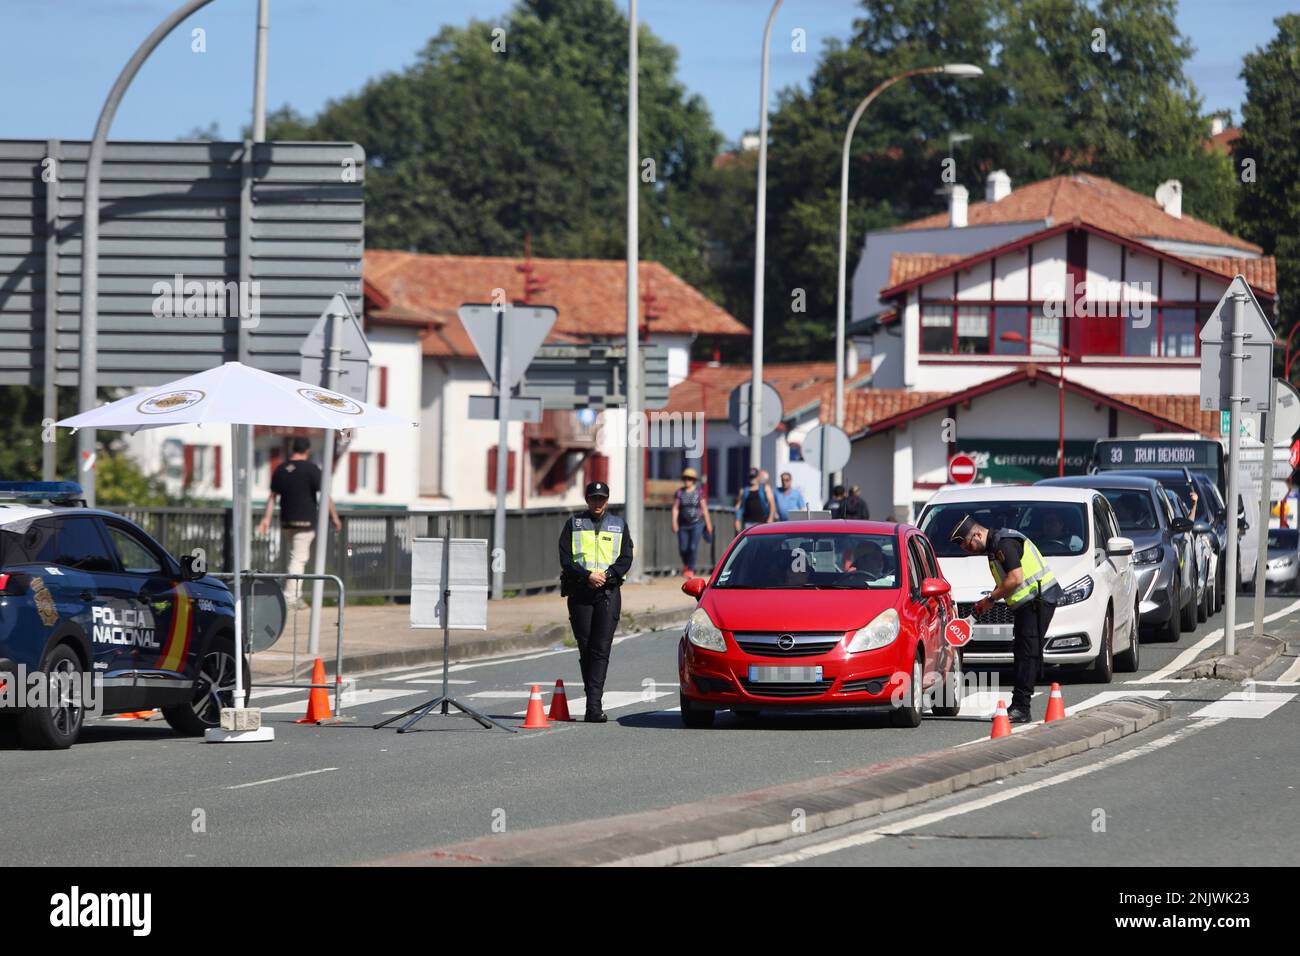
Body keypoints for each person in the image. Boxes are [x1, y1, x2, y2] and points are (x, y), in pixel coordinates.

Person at [952, 514, 1062, 724]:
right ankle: (1020, 705)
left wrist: (991, 598)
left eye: (967, 545)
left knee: (1026, 654)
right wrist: (989, 601)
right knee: (1023, 652)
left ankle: (1022, 708)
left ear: (976, 534)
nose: (967, 550)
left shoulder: (1005, 544)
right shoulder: (995, 547)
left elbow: (1016, 578)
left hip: (1037, 600)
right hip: (1029, 603)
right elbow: (1006, 580)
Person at [558, 481, 634, 723]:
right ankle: (592, 699)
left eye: (601, 499)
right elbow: (566, 559)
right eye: (593, 498)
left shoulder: (619, 525)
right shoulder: (573, 524)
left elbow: (626, 557)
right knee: (586, 646)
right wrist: (587, 576)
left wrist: (608, 575)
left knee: (601, 649)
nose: (597, 503)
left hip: (608, 594)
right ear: (587, 499)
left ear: (607, 501)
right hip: (581, 591)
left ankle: (594, 706)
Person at [257, 437, 341, 608]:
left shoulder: (280, 469)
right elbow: (325, 495)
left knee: (294, 557)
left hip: (287, 521)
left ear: (292, 449)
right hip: (306, 521)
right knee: (298, 558)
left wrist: (266, 518)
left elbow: (272, 497)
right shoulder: (312, 469)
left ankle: (293, 595)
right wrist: (334, 517)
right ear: (307, 451)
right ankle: (290, 598)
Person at [671, 467, 712, 577]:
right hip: (683, 524)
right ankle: (686, 565)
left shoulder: (699, 492)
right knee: (683, 547)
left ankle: (691, 569)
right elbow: (675, 508)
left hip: (697, 524)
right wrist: (674, 522)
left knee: (693, 546)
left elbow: (704, 508)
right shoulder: (679, 492)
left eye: (689, 479)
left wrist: (708, 524)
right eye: (685, 478)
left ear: (694, 480)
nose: (687, 481)